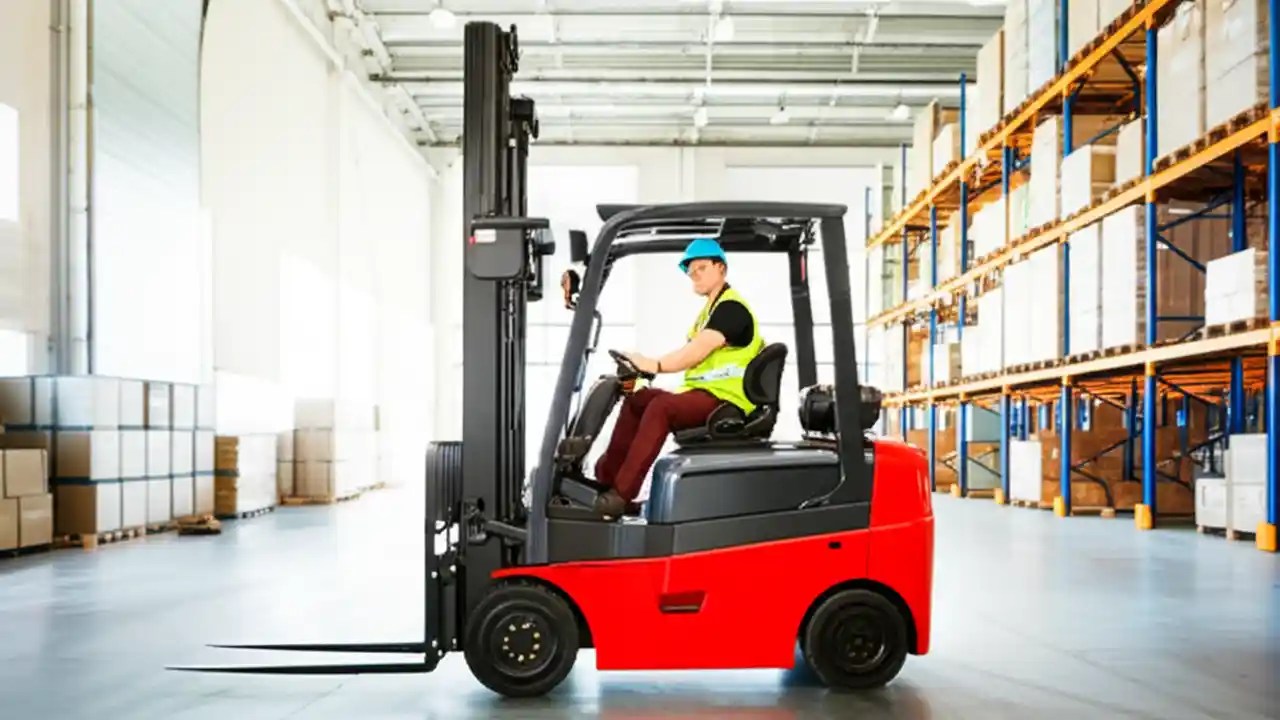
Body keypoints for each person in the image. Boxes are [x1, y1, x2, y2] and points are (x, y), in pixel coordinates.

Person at [592, 237, 763, 516]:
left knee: (662, 407)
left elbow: (695, 352)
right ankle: (605, 480)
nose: (694, 275)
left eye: (702, 268)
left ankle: (621, 495)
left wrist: (654, 364)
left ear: (721, 268)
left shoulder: (732, 309)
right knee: (640, 399)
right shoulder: (710, 310)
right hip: (702, 394)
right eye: (690, 271)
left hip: (724, 400)